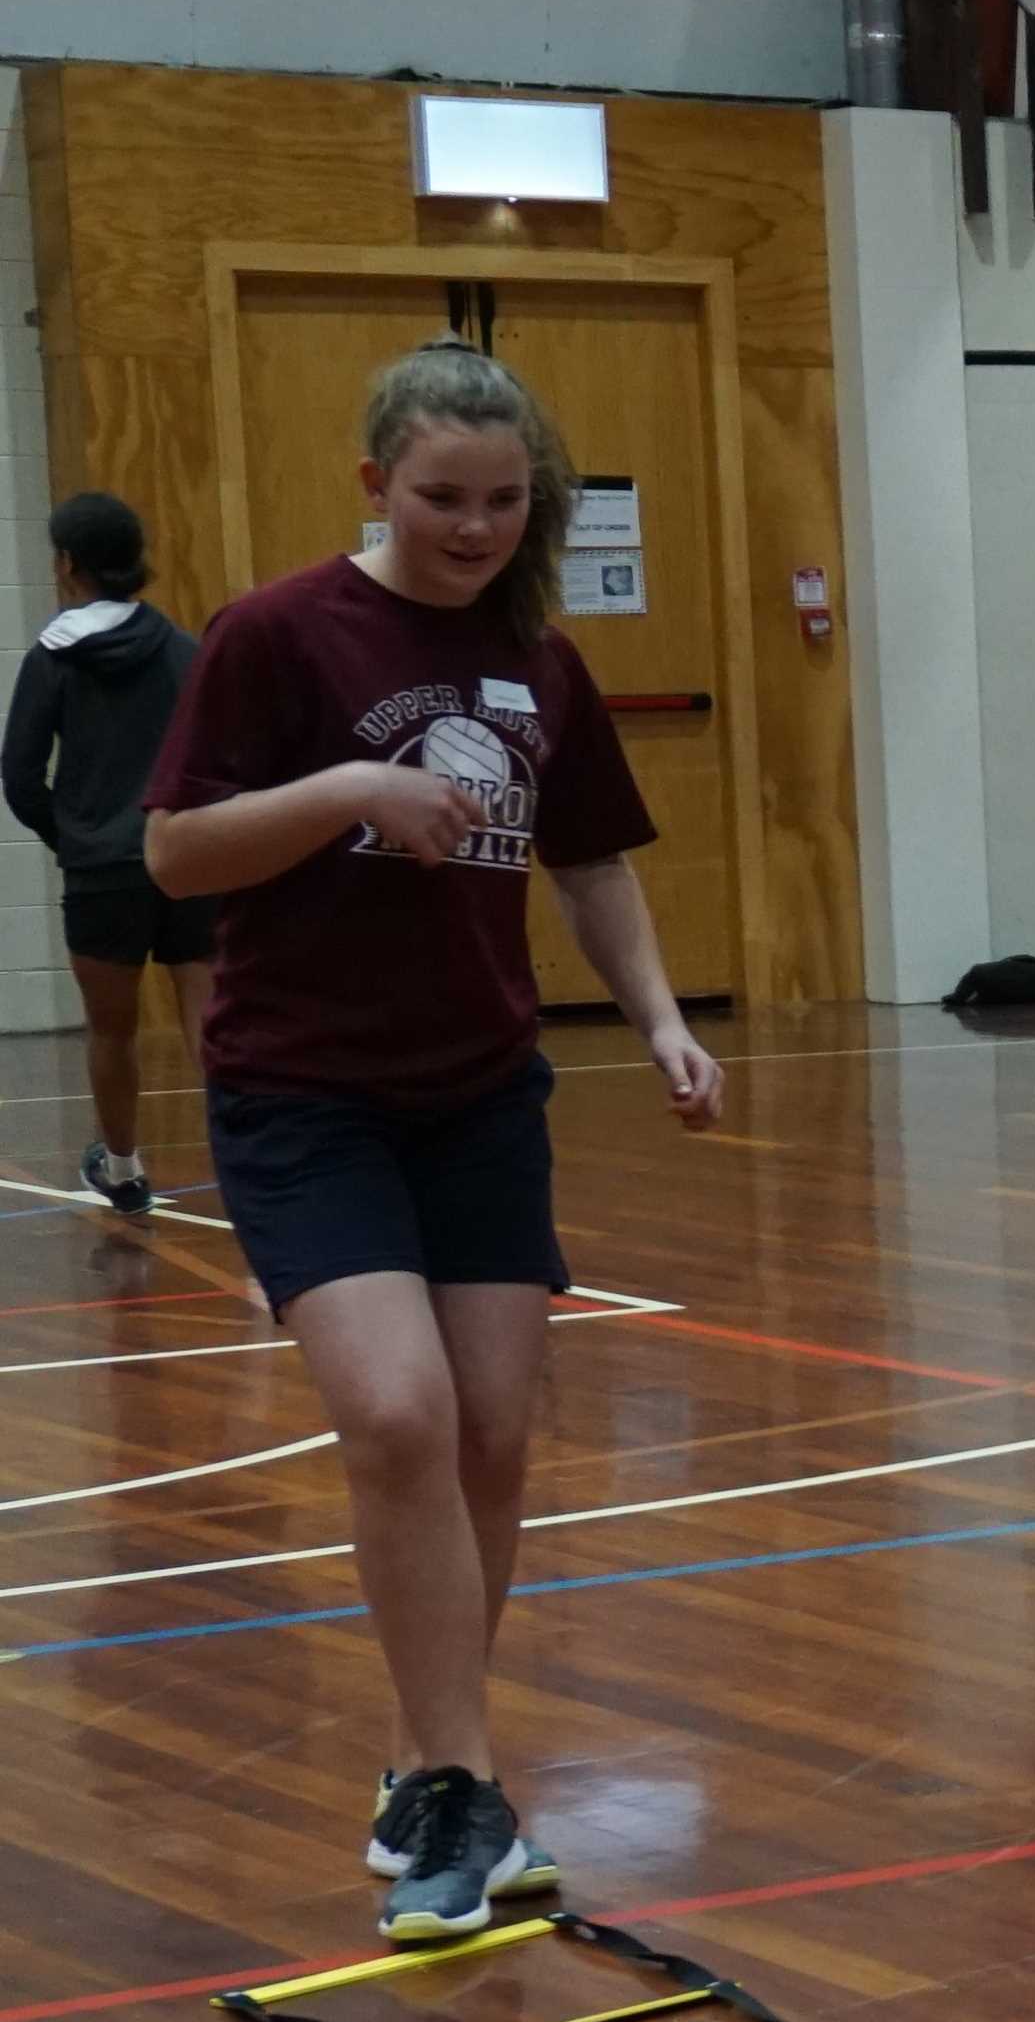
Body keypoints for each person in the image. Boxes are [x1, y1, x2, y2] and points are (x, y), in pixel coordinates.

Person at [139, 347, 723, 1939]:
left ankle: (425, 1772)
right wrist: (343, 790)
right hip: (302, 1091)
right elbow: (178, 853)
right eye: (441, 497)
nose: (473, 528)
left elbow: (594, 861)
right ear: (373, 482)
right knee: (394, 1416)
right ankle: (466, 1782)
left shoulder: (538, 655)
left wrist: (662, 1016)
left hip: (480, 1093)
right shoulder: (277, 636)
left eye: (504, 501)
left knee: (488, 1438)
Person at [6, 492, 211, 1212]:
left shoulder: (52, 658)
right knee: (208, 1020)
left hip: (100, 874)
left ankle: (122, 1169)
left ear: (67, 563)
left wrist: (76, 841)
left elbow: (20, 776)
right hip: (185, 859)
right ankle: (253, 1166)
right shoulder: (186, 649)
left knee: (112, 1028)